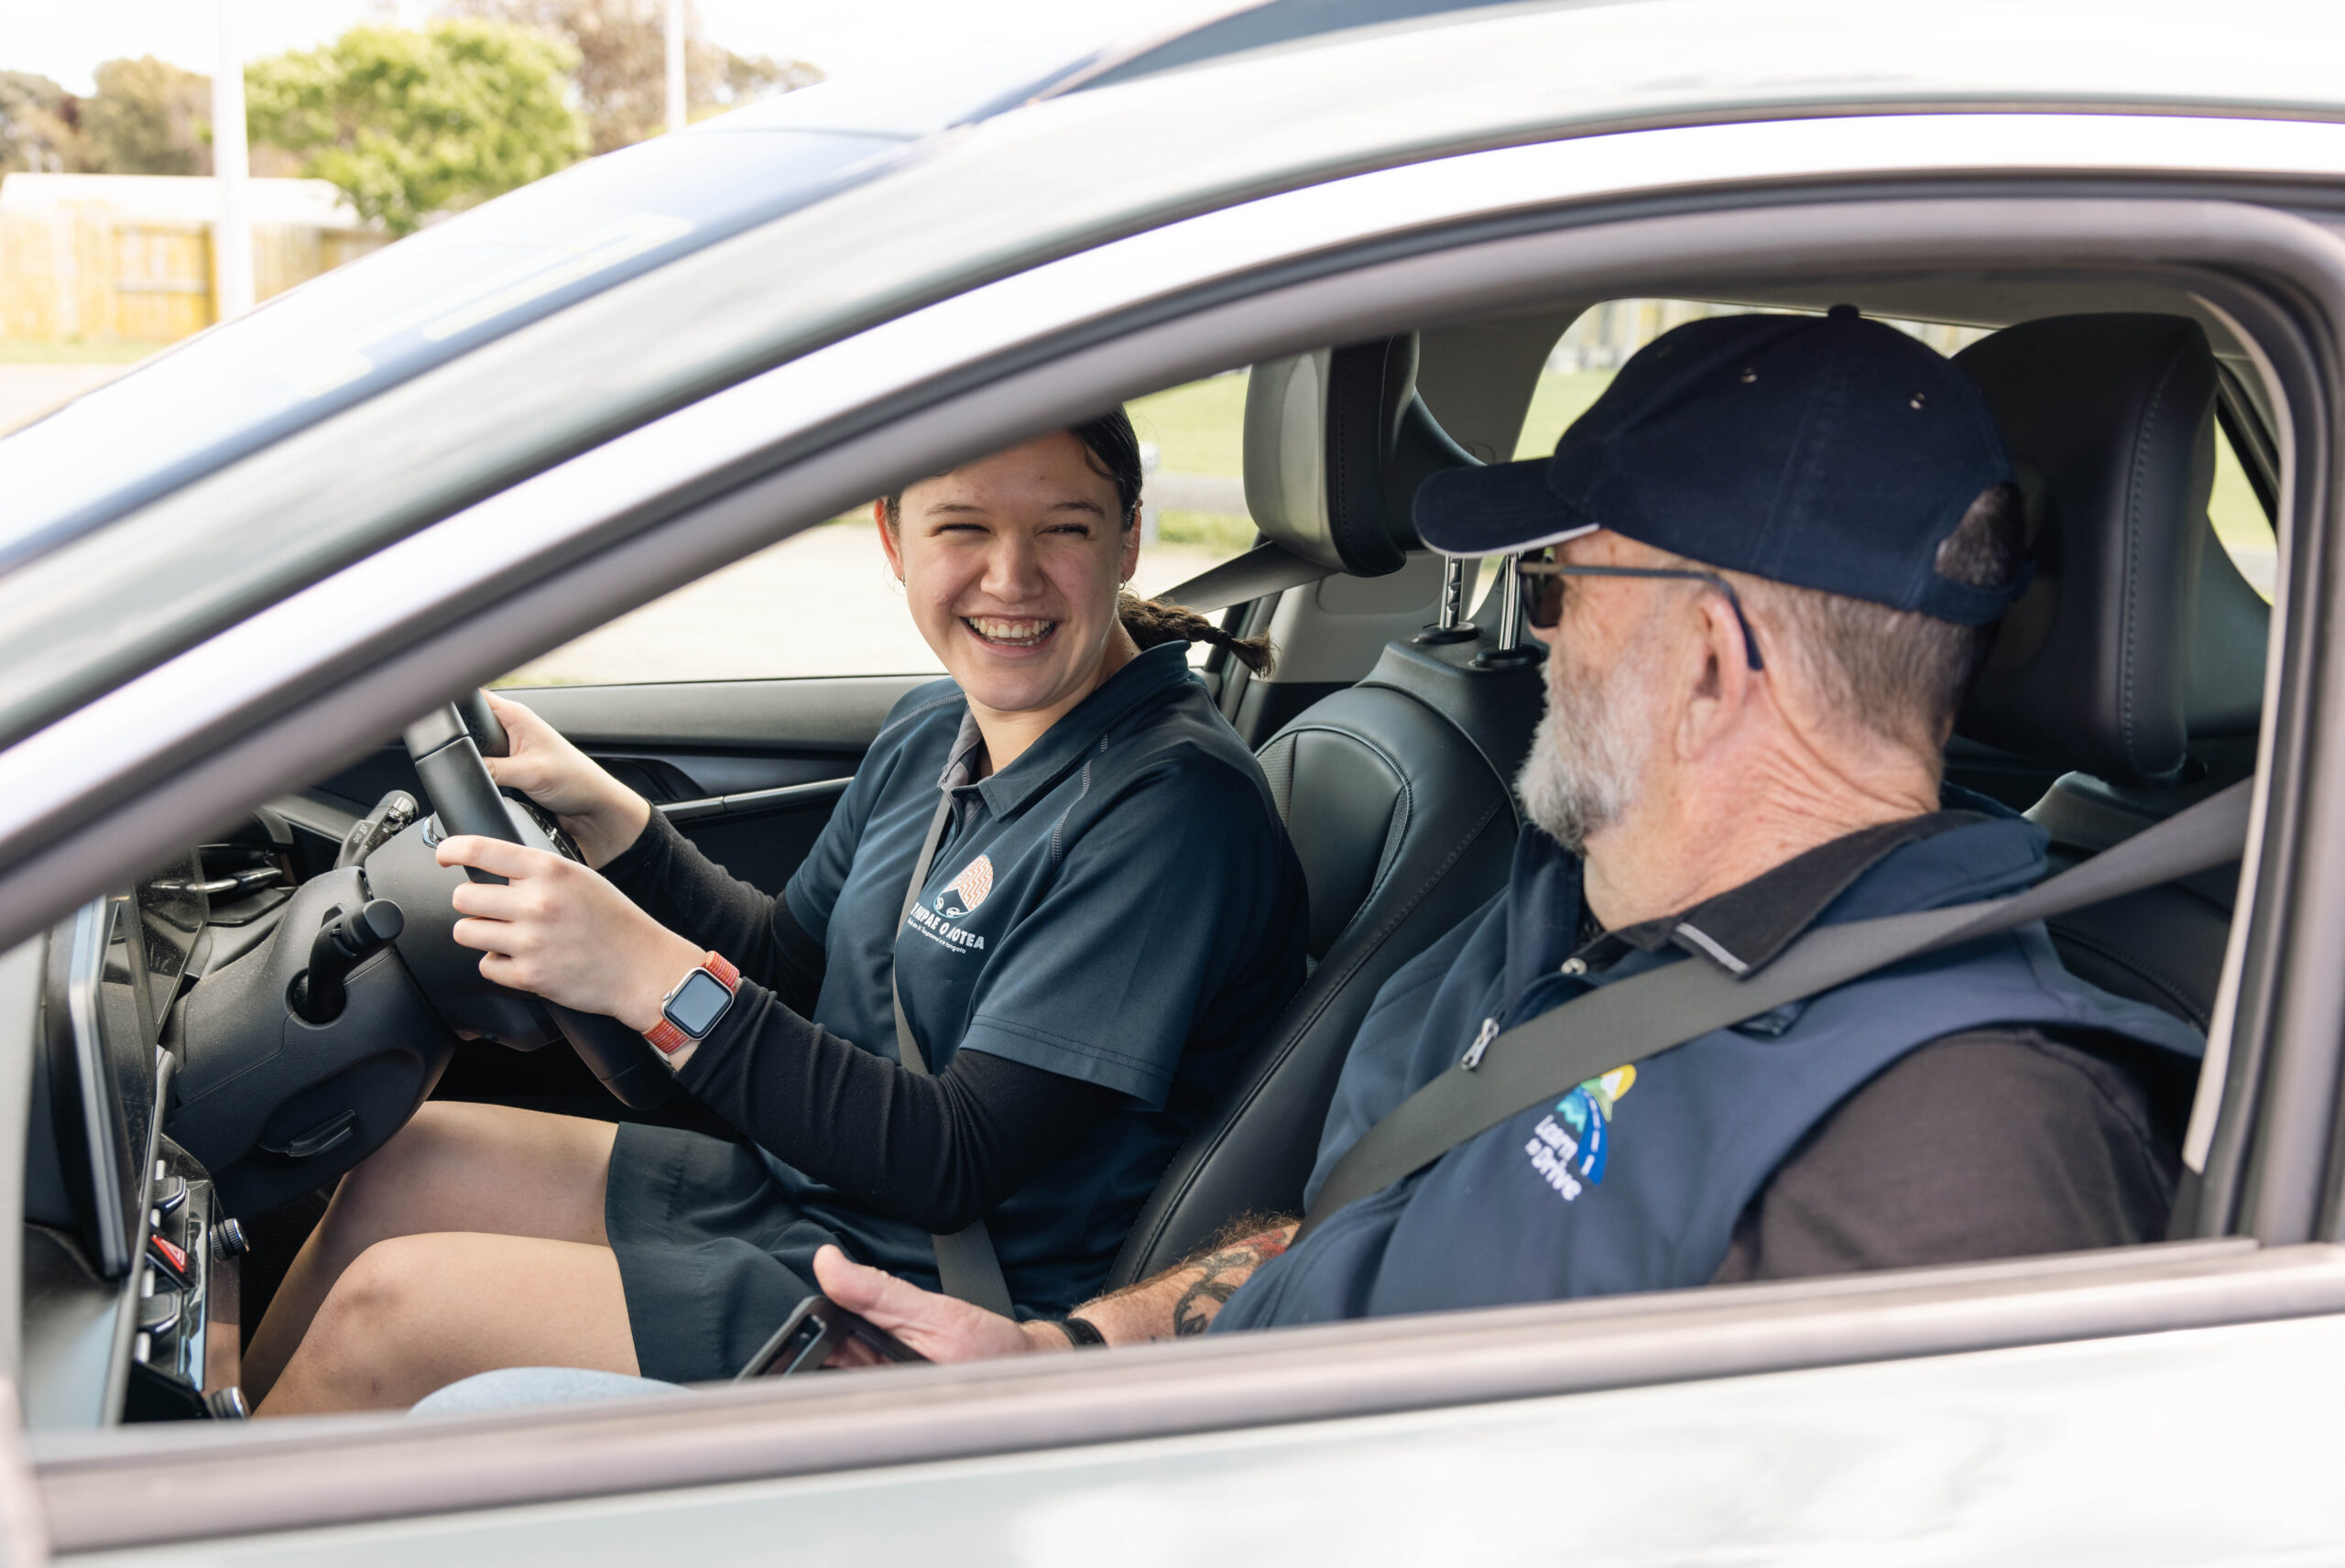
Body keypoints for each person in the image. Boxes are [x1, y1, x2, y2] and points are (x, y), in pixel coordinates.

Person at [802, 306, 2209, 1362]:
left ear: (1712, 662)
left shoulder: (1956, 1147)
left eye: (1562, 590)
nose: (1537, 641)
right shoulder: (1570, 901)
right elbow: (1358, 1229)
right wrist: (1066, 1354)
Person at [245, 410, 1311, 1413]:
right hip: (811, 1200)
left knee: (392, 1311)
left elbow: (954, 1157)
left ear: (1128, 539)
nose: (1009, 576)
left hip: (938, 1298)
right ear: (894, 538)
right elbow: (793, 964)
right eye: (962, 527)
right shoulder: (935, 726)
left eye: (1062, 529)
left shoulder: (1170, 810)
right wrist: (616, 820)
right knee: (400, 1160)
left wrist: (641, 972)